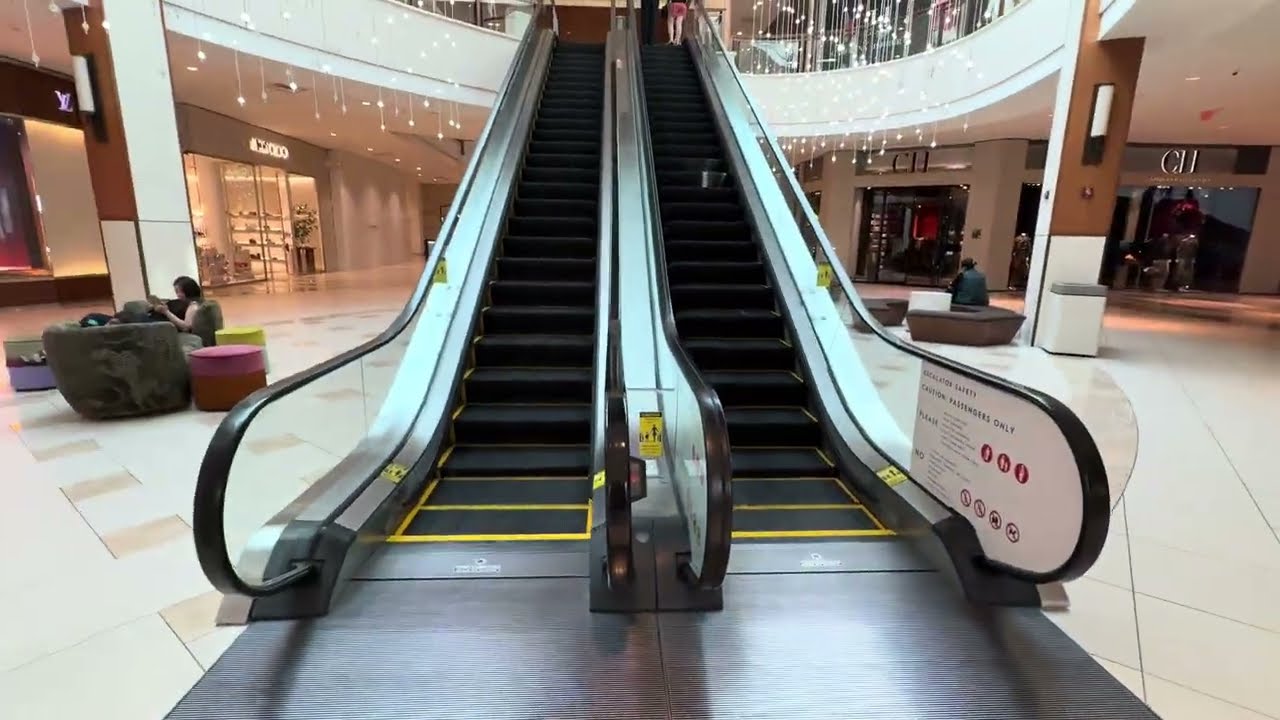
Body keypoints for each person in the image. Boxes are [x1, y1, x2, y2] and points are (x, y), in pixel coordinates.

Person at [79, 276, 205, 331]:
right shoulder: (180, 302)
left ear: (187, 291)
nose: (177, 294)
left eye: (179, 291)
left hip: (156, 325)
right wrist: (155, 307)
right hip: (149, 318)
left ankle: (100, 330)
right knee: (93, 316)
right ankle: (91, 324)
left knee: (123, 317)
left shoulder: (193, 306)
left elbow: (185, 326)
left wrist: (166, 312)